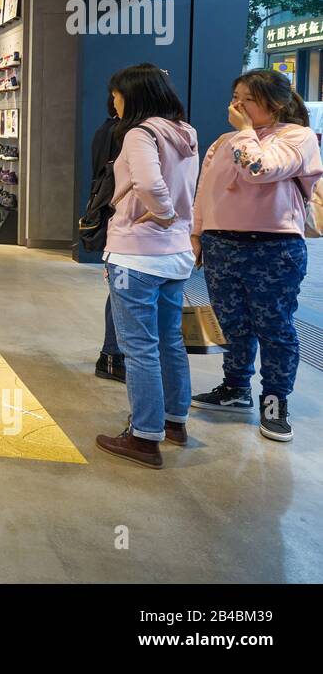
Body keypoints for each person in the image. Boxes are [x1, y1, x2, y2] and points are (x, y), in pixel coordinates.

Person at [190, 69, 323, 443]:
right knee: (233, 324)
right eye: (235, 96)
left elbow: (259, 169)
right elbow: (204, 192)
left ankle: (275, 402)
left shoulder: (296, 138)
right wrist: (197, 234)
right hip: (221, 245)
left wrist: (245, 131)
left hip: (274, 248)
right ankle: (234, 388)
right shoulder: (223, 142)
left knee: (275, 328)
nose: (236, 105)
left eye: (246, 97)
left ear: (275, 103)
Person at [95, 63, 198, 470]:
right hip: (174, 257)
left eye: (117, 96)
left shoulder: (139, 133)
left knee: (138, 347)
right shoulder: (184, 131)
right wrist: (176, 221)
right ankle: (174, 422)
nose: (113, 103)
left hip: (136, 254)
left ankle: (144, 436)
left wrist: (164, 213)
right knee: (169, 340)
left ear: (133, 96)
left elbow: (151, 185)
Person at [89, 94, 126, 383]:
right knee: (122, 291)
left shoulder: (109, 130)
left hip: (123, 228)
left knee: (120, 290)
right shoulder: (124, 134)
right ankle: (112, 355)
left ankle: (112, 354)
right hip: (126, 230)